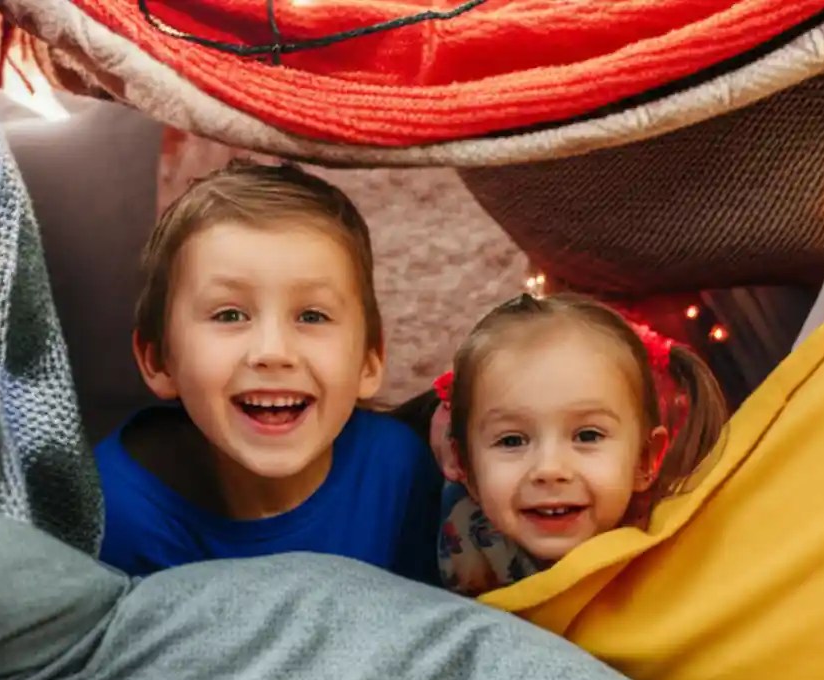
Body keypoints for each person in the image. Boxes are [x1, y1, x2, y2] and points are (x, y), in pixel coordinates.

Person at [95, 161, 441, 584]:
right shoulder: (116, 511)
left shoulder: (400, 474)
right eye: (230, 314)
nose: (273, 353)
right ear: (158, 361)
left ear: (370, 360)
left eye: (312, 316)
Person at [432, 292, 727, 595]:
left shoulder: (673, 556)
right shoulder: (463, 549)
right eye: (512, 441)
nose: (549, 469)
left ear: (644, 459)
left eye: (587, 436)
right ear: (466, 467)